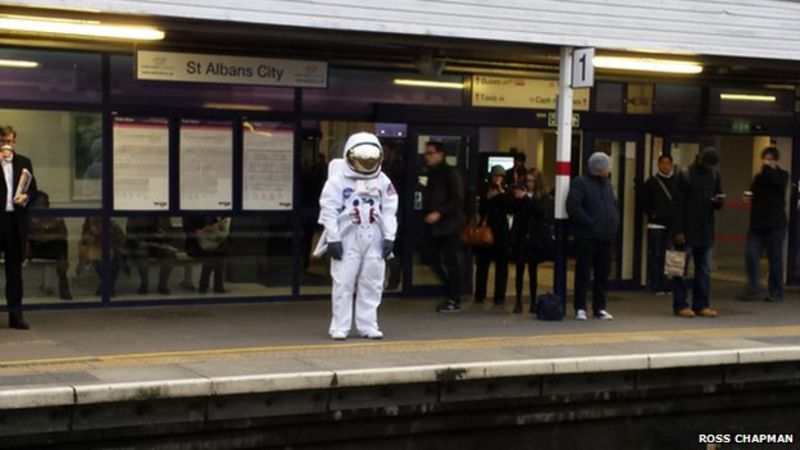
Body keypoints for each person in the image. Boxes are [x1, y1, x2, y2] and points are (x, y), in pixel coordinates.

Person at [315, 132, 398, 340]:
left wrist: (389, 236)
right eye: (361, 158)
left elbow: (390, 210)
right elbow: (329, 210)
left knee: (372, 282)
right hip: (347, 236)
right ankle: (340, 326)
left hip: (374, 236)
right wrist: (333, 238)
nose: (366, 163)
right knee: (343, 282)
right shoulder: (338, 180)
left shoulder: (383, 181)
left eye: (371, 158)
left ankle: (368, 325)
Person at [672, 147, 724, 318]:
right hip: (686, 229)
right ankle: (680, 304)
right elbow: (677, 205)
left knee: (704, 270)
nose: (710, 168)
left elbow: (717, 198)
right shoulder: (684, 175)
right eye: (708, 164)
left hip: (705, 229)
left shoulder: (714, 176)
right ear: (701, 160)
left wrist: (718, 202)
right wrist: (678, 230)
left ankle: (701, 304)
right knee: (681, 269)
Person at [566, 152, 618, 321]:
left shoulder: (607, 184)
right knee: (584, 272)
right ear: (598, 168)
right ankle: (580, 307)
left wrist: (614, 220)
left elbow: (612, 204)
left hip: (606, 235)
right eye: (607, 167)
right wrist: (590, 223)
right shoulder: (580, 183)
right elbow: (573, 206)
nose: (609, 170)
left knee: (602, 273)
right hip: (587, 236)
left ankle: (600, 307)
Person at [0, 126, 38, 329]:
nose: (6, 145)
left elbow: (34, 190)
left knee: (14, 272)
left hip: (15, 222)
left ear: (15, 142)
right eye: (2, 141)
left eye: (9, 141)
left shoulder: (24, 162)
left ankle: (16, 316)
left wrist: (26, 197)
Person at [740, 146, 789, 302]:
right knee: (751, 254)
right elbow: (753, 193)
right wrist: (748, 197)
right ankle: (753, 287)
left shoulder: (782, 175)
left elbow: (777, 183)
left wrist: (768, 169)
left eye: (769, 159)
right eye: (765, 159)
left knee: (775, 259)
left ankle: (776, 291)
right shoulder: (758, 178)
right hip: (758, 224)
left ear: (775, 161)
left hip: (775, 224)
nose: (766, 162)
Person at [422, 141, 465, 313]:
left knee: (450, 262)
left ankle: (454, 297)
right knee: (432, 258)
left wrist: (440, 212)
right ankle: (451, 292)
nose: (427, 157)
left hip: (449, 226)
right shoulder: (432, 173)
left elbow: (457, 198)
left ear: (440, 154)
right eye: (426, 153)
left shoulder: (450, 173)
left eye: (430, 153)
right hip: (437, 225)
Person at [510, 169, 553, 314]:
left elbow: (541, 211)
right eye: (527, 180)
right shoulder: (521, 193)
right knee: (519, 269)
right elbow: (514, 210)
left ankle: (533, 301)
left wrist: (526, 198)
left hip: (534, 235)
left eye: (532, 181)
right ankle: (518, 301)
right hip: (521, 234)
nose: (529, 184)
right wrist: (517, 197)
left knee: (533, 271)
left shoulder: (542, 196)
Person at [474, 165, 513, 305]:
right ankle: (480, 294)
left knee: (501, 265)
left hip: (501, 231)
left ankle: (499, 296)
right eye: (495, 176)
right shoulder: (485, 190)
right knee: (483, 264)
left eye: (500, 176)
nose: (497, 179)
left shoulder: (506, 191)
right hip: (487, 228)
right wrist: (488, 198)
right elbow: (482, 209)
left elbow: (509, 208)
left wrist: (501, 194)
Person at [640, 154, 676, 295]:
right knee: (656, 255)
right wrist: (652, 214)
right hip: (656, 225)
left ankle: (668, 285)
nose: (665, 166)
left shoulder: (676, 182)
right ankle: (656, 285)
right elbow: (644, 202)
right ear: (658, 165)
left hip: (671, 225)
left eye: (668, 163)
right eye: (663, 163)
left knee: (670, 256)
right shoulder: (651, 182)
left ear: (672, 165)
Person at [27, 191, 72, 300]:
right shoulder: (28, 217)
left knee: (61, 244)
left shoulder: (55, 217)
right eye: (38, 204)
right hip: (34, 248)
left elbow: (63, 234)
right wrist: (46, 234)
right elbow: (26, 235)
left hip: (52, 247)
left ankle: (63, 281)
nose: (41, 207)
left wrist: (45, 236)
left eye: (43, 204)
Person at [126, 216, 177, 295]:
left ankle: (163, 285)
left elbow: (170, 233)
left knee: (170, 255)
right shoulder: (135, 216)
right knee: (141, 253)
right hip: (141, 245)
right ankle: (144, 284)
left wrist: (165, 236)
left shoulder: (163, 215)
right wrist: (137, 242)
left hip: (158, 245)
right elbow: (130, 233)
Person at [79, 217, 127, 297]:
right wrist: (94, 235)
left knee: (115, 265)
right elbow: (85, 241)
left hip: (112, 252)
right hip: (97, 254)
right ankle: (108, 289)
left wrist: (112, 237)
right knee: (101, 267)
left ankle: (104, 288)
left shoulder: (113, 226)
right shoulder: (90, 226)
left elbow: (121, 239)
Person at [183, 216, 230, 294]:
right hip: (195, 245)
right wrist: (198, 232)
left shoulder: (210, 215)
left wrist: (218, 227)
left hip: (210, 242)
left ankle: (208, 286)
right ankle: (209, 286)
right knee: (213, 254)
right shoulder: (189, 216)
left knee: (220, 252)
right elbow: (189, 231)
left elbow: (215, 224)